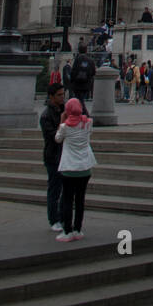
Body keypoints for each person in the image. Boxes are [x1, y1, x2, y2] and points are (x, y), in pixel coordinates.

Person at [54, 98, 97, 241]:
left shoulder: (65, 127)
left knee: (67, 199)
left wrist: (62, 121)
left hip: (69, 167)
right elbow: (88, 133)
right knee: (80, 200)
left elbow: (58, 139)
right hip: (85, 166)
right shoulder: (88, 123)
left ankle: (67, 231)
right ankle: (78, 229)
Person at [39, 82, 67, 231]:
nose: (63, 97)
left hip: (65, 155)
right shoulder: (46, 116)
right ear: (51, 97)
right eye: (59, 95)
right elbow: (53, 137)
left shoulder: (65, 109)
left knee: (65, 189)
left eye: (63, 94)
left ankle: (63, 217)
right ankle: (53, 219)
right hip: (53, 156)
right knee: (54, 189)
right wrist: (63, 121)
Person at [68, 43, 95, 112]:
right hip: (87, 83)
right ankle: (81, 113)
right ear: (86, 50)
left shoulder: (78, 59)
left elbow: (73, 71)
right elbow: (93, 72)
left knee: (79, 99)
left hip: (77, 84)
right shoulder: (91, 60)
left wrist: (71, 82)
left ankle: (84, 113)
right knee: (81, 99)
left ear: (79, 51)